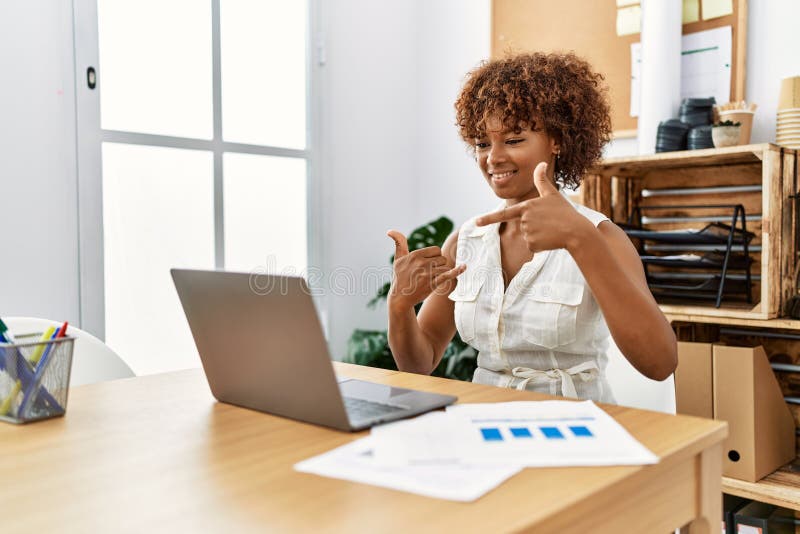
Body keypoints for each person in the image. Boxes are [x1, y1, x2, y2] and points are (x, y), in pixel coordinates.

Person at [386, 52, 677, 403]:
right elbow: (421, 362)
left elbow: (660, 364)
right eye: (482, 143)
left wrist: (579, 239)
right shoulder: (465, 242)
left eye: (513, 140)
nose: (492, 157)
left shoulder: (599, 236)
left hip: (575, 426)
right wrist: (399, 307)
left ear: (557, 140)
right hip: (484, 422)